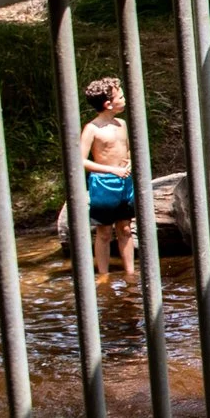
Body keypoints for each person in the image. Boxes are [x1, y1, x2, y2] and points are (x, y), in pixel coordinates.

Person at [79, 76, 138, 284]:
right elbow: (80, 161)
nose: (124, 98)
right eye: (120, 95)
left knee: (125, 228)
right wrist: (111, 170)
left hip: (125, 182)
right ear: (108, 104)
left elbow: (129, 150)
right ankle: (103, 274)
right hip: (103, 184)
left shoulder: (121, 124)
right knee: (103, 231)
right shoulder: (92, 129)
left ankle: (130, 272)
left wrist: (130, 163)